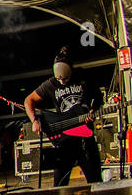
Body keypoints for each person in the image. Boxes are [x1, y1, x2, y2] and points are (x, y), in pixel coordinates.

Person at [24, 47, 101, 186]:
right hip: (65, 141)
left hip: (85, 138)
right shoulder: (51, 84)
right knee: (59, 184)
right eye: (60, 79)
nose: (63, 82)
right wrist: (34, 120)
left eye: (65, 79)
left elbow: (98, 98)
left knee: (95, 180)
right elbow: (29, 100)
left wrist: (93, 110)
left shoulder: (83, 77)